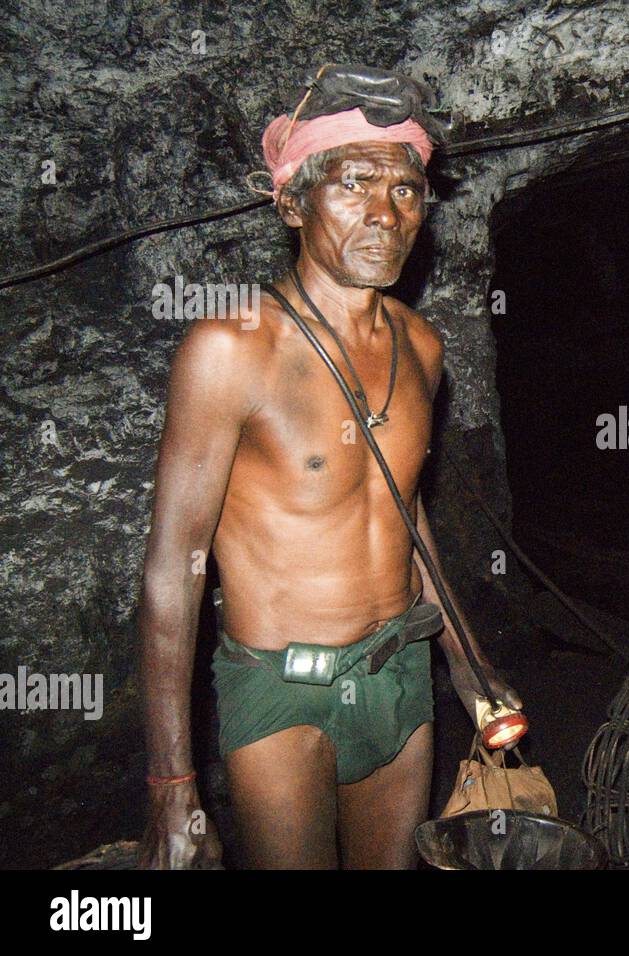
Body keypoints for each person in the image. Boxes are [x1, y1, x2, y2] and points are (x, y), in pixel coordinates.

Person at [136, 65, 520, 869]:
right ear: (292, 203)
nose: (386, 213)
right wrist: (172, 782)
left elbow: (402, 511)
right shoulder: (229, 349)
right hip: (283, 688)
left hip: (398, 668)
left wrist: (463, 657)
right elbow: (175, 567)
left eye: (407, 191)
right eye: (354, 184)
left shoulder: (423, 347)